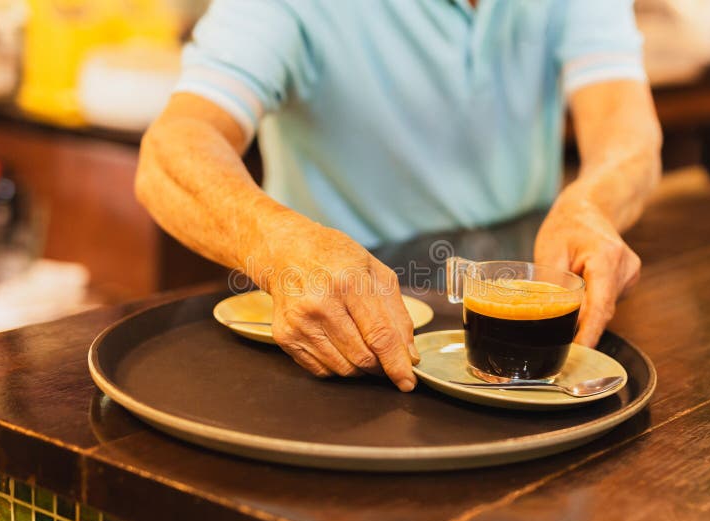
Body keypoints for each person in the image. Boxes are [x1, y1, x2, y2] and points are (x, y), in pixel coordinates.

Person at [135, 0, 662, 392]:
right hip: (344, 326)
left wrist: (591, 202)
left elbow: (626, 128)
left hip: (518, 310)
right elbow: (172, 151)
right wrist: (278, 245)